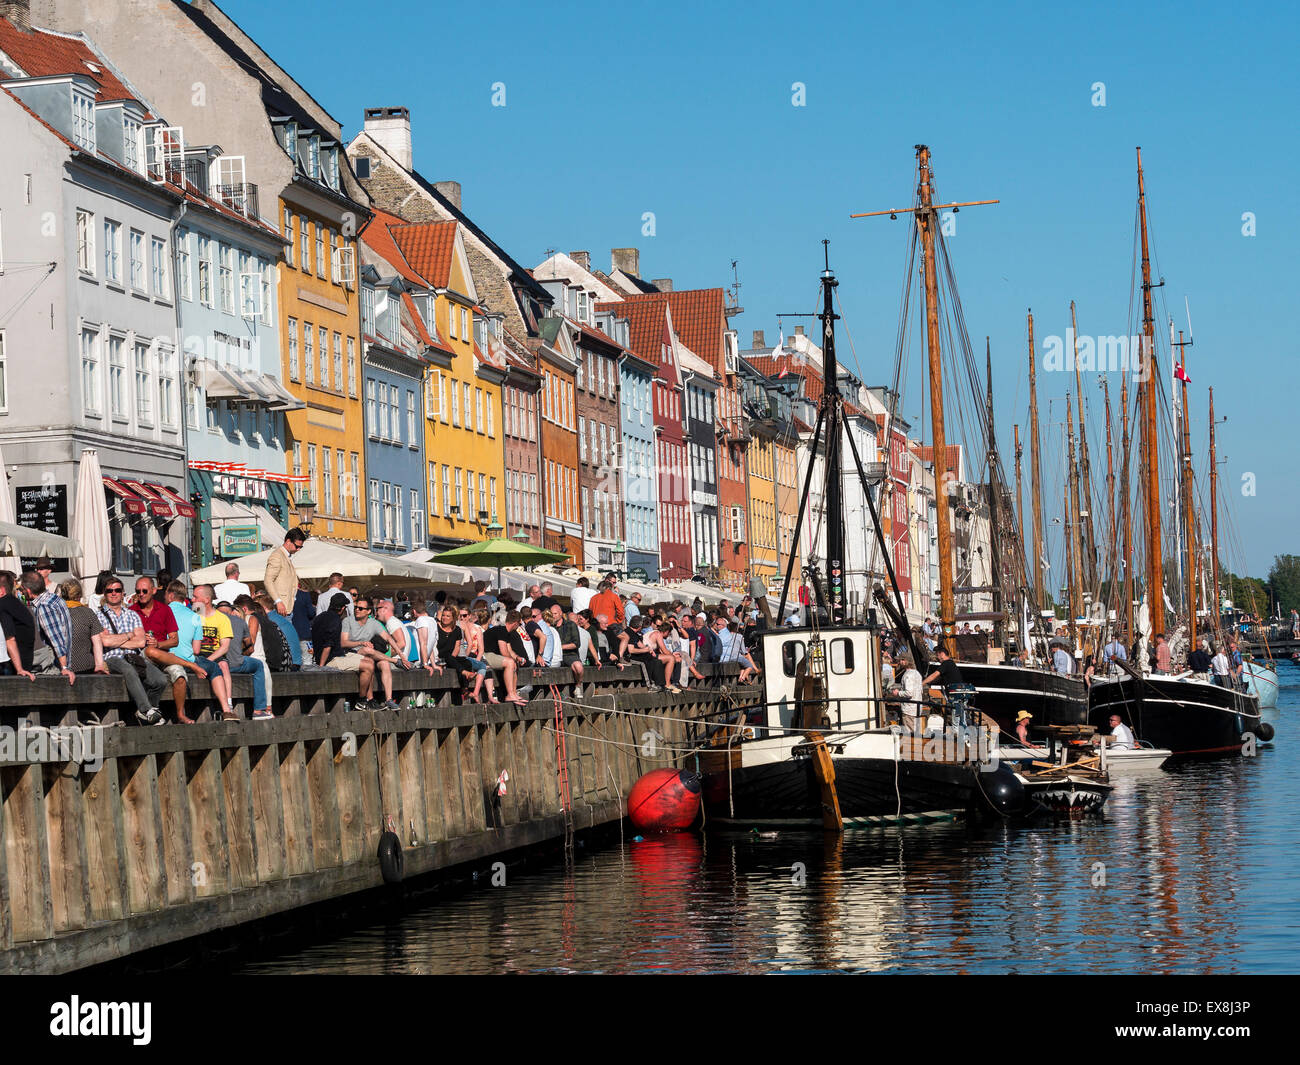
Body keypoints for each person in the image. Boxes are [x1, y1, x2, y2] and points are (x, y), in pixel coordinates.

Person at [95, 576, 167, 725]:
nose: (114, 593)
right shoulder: (99, 616)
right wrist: (129, 636)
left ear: (123, 594)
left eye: (117, 590)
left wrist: (117, 640)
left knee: (160, 680)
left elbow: (141, 641)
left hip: (134, 658)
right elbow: (105, 641)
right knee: (128, 670)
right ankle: (145, 709)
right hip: (111, 658)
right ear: (105, 593)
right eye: (110, 591)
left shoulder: (132, 615)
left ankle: (151, 711)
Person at [134, 575, 206, 722]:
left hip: (162, 655)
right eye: (138, 591)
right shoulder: (132, 611)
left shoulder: (165, 610)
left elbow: (174, 640)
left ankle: (180, 714)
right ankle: (191, 664)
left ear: (154, 590)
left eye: (144, 591)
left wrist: (158, 644)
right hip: (142, 656)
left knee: (179, 675)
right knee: (149, 651)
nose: (141, 594)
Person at [217, 598, 271, 719]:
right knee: (258, 665)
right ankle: (258, 710)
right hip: (236, 663)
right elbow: (250, 646)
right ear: (231, 611)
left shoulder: (211, 620)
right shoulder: (239, 621)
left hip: (216, 665)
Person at [342, 597, 398, 709]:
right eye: (356, 607)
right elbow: (343, 643)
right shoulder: (348, 621)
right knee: (369, 659)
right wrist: (362, 642)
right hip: (352, 653)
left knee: (384, 664)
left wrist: (402, 656)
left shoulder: (374, 623)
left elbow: (389, 638)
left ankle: (389, 700)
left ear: (368, 611)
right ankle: (368, 699)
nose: (357, 609)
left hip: (370, 654)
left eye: (360, 608)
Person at [190, 585, 236, 720]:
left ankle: (228, 705)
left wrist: (208, 661)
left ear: (206, 599)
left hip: (215, 654)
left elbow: (225, 647)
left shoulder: (222, 618)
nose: (192, 600)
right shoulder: (195, 614)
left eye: (195, 597)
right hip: (197, 654)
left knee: (224, 666)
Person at [22, 571, 76, 682]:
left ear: (28, 590)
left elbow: (56, 639)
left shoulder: (44, 606)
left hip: (54, 669)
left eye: (22, 589)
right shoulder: (55, 599)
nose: (21, 592)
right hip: (60, 665)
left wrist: (64, 667)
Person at [166, 581, 206, 722]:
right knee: (217, 668)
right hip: (188, 661)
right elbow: (196, 650)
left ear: (170, 595)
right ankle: (227, 707)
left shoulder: (163, 612)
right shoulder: (195, 615)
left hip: (167, 659)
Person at [233, 595, 277, 719]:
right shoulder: (236, 620)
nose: (234, 611)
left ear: (244, 609)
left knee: (262, 668)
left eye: (237, 608)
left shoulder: (251, 619)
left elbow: (250, 643)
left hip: (255, 657)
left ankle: (265, 708)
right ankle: (261, 709)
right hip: (245, 658)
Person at [56, 578, 110, 677]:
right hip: (85, 667)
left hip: (60, 668)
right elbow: (97, 641)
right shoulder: (88, 613)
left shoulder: (56, 613)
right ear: (79, 595)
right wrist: (99, 665)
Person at [483, 611, 530, 705]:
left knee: (514, 662)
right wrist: (512, 660)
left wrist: (517, 658)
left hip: (492, 656)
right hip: (485, 655)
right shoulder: (501, 630)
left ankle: (513, 693)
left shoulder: (506, 633)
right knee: (510, 662)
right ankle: (510, 694)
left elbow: (510, 651)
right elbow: (504, 652)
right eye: (520, 624)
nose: (520, 626)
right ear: (516, 623)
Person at [0, 571, 37, 678]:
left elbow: (10, 639)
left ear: (2, 590)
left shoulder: (3, 605)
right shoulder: (16, 604)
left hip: (10, 665)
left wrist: (19, 669)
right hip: (24, 661)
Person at [264, 528, 307, 617]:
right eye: (297, 546)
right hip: (280, 609)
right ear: (288, 541)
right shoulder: (277, 556)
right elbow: (268, 580)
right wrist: (278, 601)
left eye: (300, 547)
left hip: (287, 608)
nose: (298, 549)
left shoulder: (285, 556)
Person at [256, 592, 301, 670]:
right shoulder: (280, 618)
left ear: (263, 607)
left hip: (287, 664)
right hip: (295, 662)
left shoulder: (269, 621)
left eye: (256, 608)